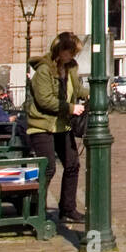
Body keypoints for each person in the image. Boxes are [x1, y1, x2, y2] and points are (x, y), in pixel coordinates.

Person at [26, 31, 88, 224]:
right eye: (70, 51)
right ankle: (38, 211)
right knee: (48, 168)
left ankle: (68, 209)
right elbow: (44, 100)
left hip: (63, 126)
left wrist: (93, 93)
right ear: (60, 49)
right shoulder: (44, 70)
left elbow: (77, 90)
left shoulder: (70, 69)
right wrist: (71, 108)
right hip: (42, 126)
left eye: (74, 53)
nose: (72, 56)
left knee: (72, 164)